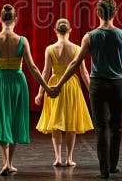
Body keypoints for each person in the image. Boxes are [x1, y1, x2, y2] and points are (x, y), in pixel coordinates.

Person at [57, 0, 122, 179]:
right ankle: (113, 165)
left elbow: (76, 63)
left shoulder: (90, 36)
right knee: (116, 126)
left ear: (98, 13)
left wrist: (59, 85)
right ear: (115, 13)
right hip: (117, 85)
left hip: (98, 84)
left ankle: (104, 169)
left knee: (101, 126)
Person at [0, 4, 56, 175]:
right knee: (15, 119)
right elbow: (32, 67)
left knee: (3, 119)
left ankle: (6, 163)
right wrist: (45, 87)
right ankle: (10, 162)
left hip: (0, 81)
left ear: (0, 19)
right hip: (17, 81)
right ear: (16, 19)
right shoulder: (22, 41)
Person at [34, 18, 93, 167]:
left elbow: (46, 72)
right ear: (70, 30)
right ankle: (69, 158)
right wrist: (92, 90)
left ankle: (58, 157)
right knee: (71, 122)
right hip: (71, 85)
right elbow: (84, 73)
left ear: (55, 30)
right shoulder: (77, 48)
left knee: (56, 123)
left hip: (54, 85)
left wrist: (40, 92)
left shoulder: (50, 49)